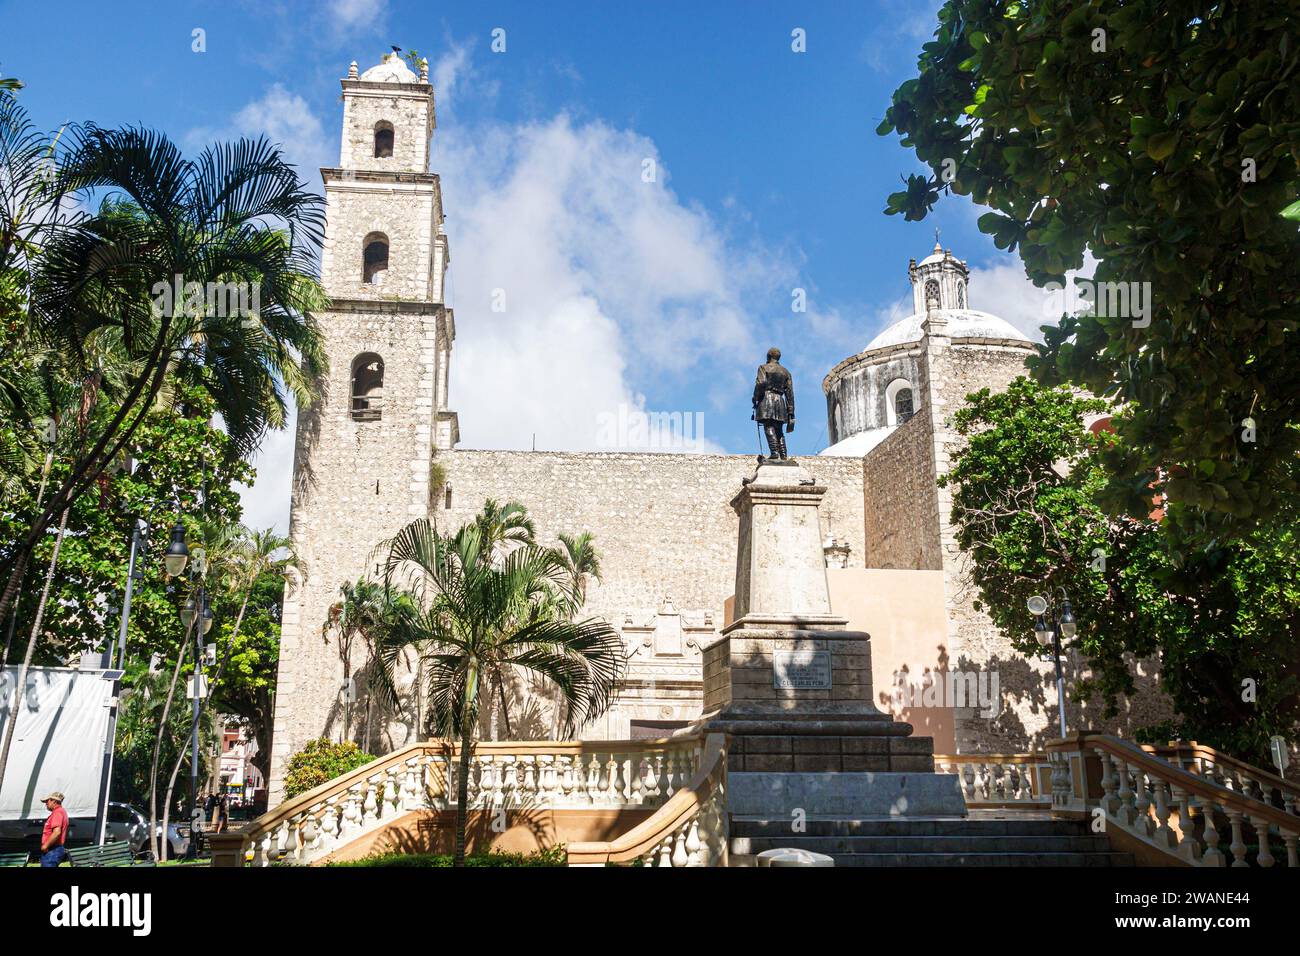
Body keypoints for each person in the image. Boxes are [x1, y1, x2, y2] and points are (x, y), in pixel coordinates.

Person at [751, 346, 795, 461]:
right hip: (780, 401)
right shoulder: (786, 372)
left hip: (767, 399)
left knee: (769, 426)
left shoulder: (763, 368)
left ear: (768, 356)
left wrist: (755, 397)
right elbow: (789, 393)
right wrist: (791, 411)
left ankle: (774, 452)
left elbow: (761, 383)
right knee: (779, 430)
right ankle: (784, 455)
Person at [39, 791, 69, 867]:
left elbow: (57, 832)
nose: (46, 803)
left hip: (53, 850)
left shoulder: (57, 812)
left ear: (54, 801)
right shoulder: (61, 812)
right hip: (54, 849)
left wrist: (45, 846)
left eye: (47, 801)